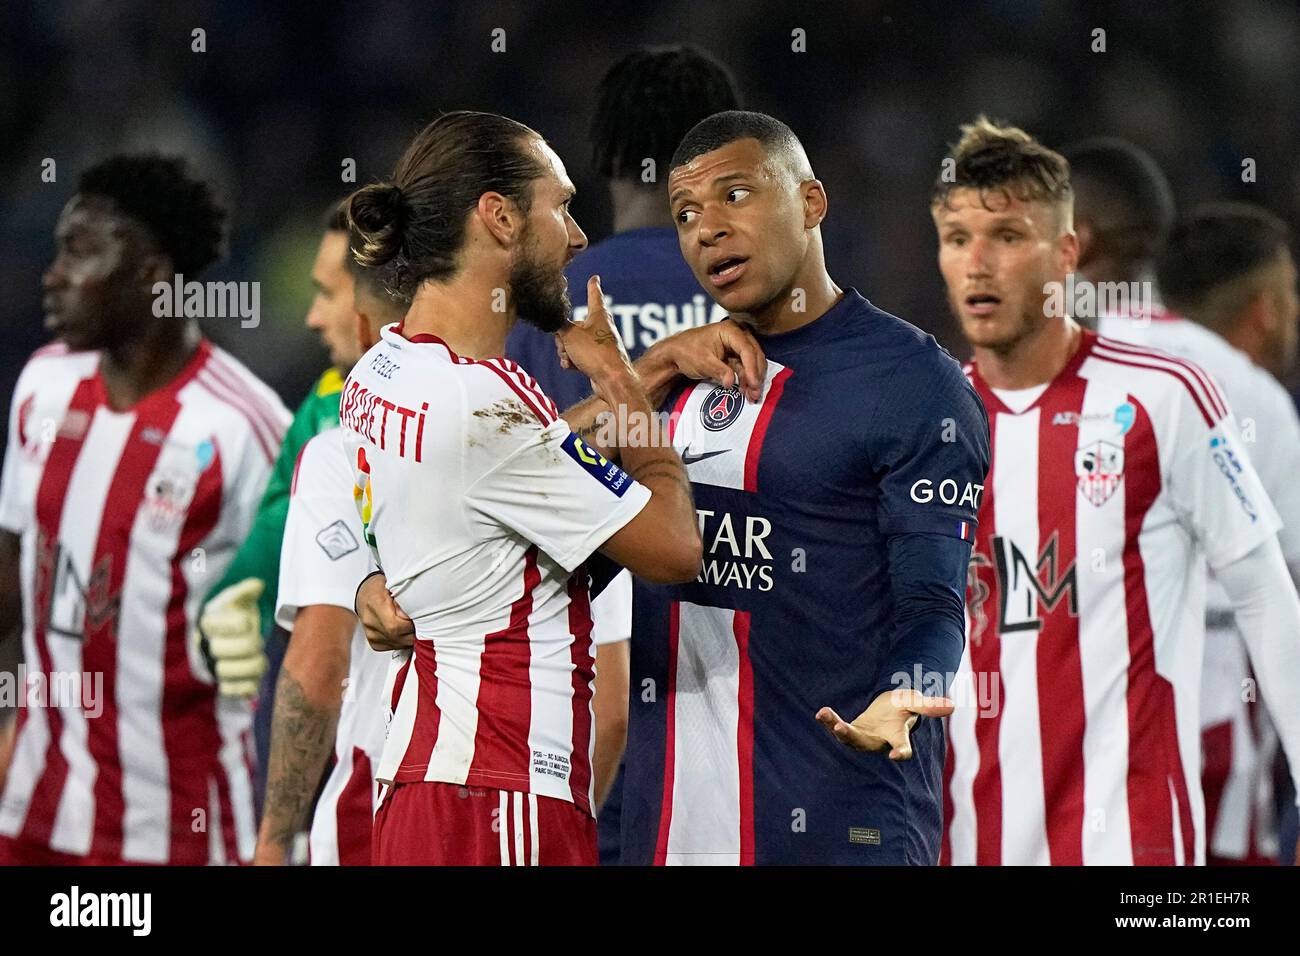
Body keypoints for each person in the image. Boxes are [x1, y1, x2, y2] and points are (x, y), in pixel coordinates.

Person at [342, 110, 716, 866]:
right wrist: (618, 378)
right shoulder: (484, 403)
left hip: (419, 787)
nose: (577, 237)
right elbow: (677, 549)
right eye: (562, 205)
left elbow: (517, 474)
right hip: (501, 796)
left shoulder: (383, 369)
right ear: (500, 216)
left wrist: (649, 369)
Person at [932, 117, 1300, 865]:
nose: (978, 265)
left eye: (1007, 237)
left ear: (1070, 252)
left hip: (1135, 850)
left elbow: (1265, 590)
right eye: (958, 237)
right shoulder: (924, 422)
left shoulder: (1165, 397)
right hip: (969, 841)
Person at [0, 155, 289, 864]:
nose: (53, 273)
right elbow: (12, 584)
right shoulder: (42, 384)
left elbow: (313, 635)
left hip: (175, 826)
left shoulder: (245, 429)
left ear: (154, 275)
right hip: (32, 810)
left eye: (79, 251)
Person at [505, 43, 740, 864]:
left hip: (578, 700)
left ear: (604, 155)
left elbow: (522, 485)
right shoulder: (750, 291)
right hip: (739, 691)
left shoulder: (554, 305)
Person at [1145, 203, 1300, 864]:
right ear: (1265, 307)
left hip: (1098, 707)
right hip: (1220, 715)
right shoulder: (1258, 398)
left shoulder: (1102, 363)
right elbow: (1283, 583)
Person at [253, 246, 410, 865]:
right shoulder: (545, 434)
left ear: (373, 323)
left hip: (374, 815)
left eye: (331, 293)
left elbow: (317, 666)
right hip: (525, 810)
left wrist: (271, 847)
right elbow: (609, 701)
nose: (316, 318)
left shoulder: (338, 454)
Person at [195, 205, 360, 705]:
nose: (312, 317)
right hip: (344, 737)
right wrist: (230, 616)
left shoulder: (485, 393)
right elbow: (272, 535)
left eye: (329, 294)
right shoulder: (324, 408)